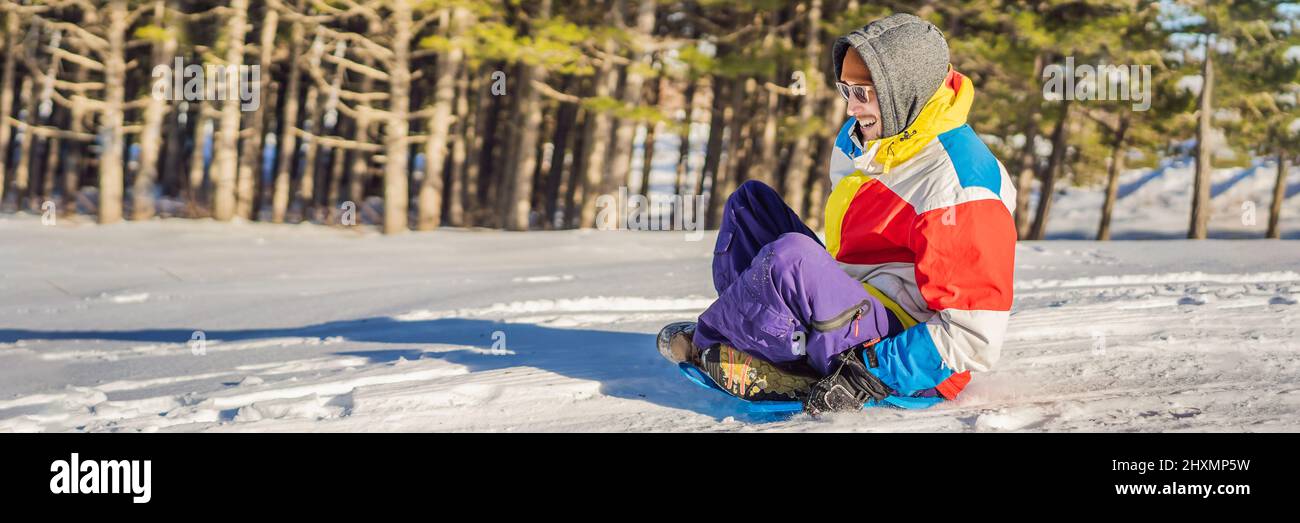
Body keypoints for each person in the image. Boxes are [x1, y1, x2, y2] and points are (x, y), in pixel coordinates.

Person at [658, 13, 1018, 415]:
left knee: (792, 258)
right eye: (845, 89)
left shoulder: (962, 188)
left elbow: (974, 338)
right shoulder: (873, 140)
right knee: (750, 207)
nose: (851, 108)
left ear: (904, 91)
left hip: (903, 356)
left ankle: (716, 345)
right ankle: (765, 343)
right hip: (860, 302)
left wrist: (867, 373)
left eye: (863, 92)